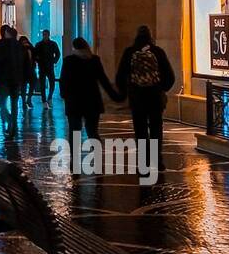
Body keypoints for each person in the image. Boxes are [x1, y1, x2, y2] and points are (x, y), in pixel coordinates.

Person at [113, 25, 175, 163]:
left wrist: (124, 92)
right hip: (155, 97)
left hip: (137, 97)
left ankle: (143, 159)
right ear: (150, 36)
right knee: (155, 128)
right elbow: (170, 76)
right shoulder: (158, 52)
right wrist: (161, 88)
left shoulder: (129, 52)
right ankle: (156, 159)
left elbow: (120, 76)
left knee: (140, 129)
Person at [59, 37, 119, 149]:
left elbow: (63, 81)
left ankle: (74, 159)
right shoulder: (94, 60)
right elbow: (103, 80)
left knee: (74, 132)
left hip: (74, 102)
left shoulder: (69, 61)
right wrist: (115, 96)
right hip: (92, 101)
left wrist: (64, 95)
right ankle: (97, 154)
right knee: (92, 131)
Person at [0, 25, 26, 137]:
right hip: (16, 79)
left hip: (4, 79)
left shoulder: (0, 44)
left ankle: (9, 120)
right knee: (14, 103)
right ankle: (13, 124)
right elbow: (23, 62)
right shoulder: (19, 45)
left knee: (2, 103)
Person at [35, 29, 60, 102]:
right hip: (44, 66)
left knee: (50, 82)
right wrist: (54, 61)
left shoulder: (41, 44)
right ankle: (45, 98)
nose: (45, 36)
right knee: (44, 83)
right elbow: (57, 53)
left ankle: (48, 97)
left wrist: (54, 61)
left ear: (48, 35)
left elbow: (58, 54)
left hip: (47, 66)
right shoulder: (50, 44)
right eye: (44, 35)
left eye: (46, 35)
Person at [18, 34, 39, 109]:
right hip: (23, 71)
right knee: (23, 87)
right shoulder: (20, 49)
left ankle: (29, 99)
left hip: (31, 69)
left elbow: (35, 56)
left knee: (32, 83)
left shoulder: (31, 48)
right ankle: (24, 101)